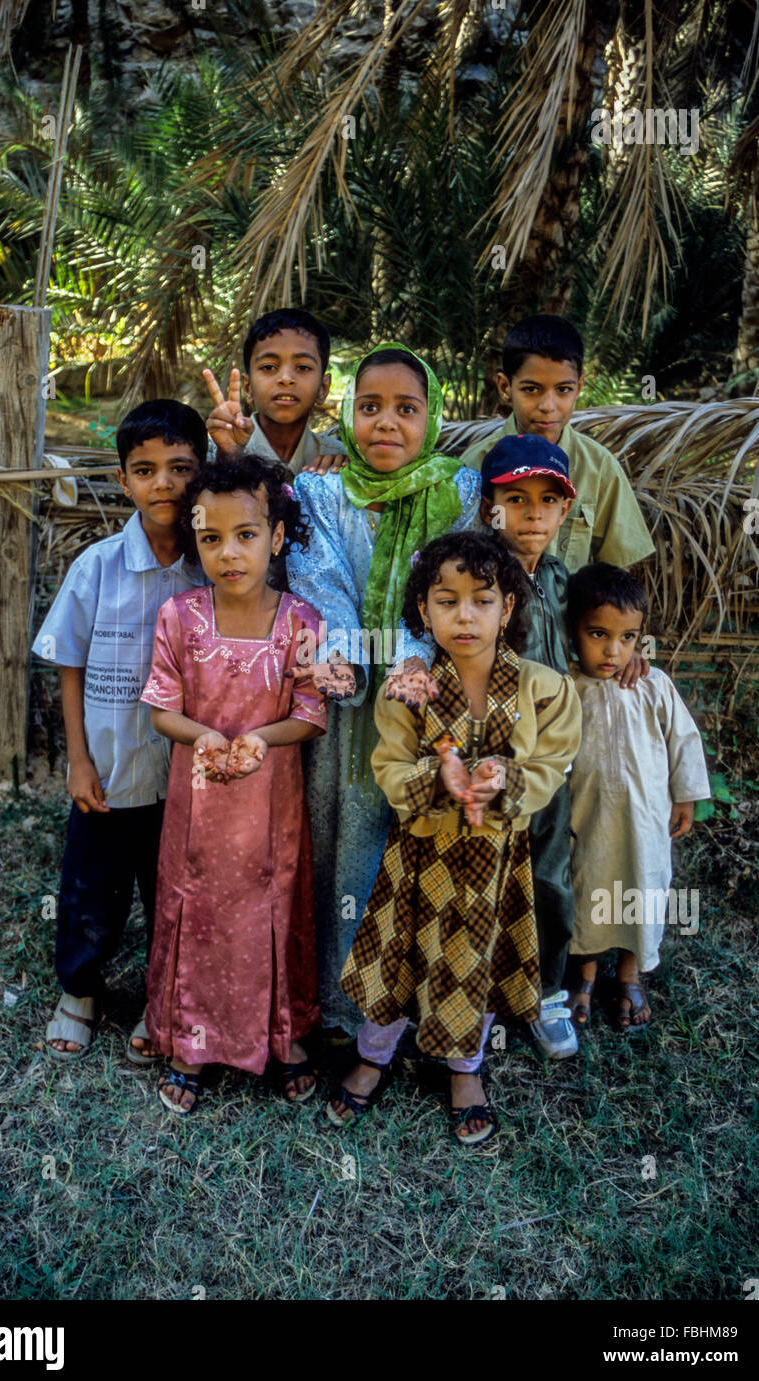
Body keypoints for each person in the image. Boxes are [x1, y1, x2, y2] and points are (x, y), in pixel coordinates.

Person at [328, 533, 582, 1145]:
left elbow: (555, 762)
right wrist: (433, 777)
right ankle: (373, 1055)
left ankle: (466, 1068)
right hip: (418, 861)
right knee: (397, 960)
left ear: (509, 608)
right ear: (423, 611)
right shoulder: (408, 691)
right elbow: (390, 771)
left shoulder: (544, 688)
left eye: (482, 600)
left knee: (480, 964)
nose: (464, 616)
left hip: (495, 868)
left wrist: (507, 777)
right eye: (447, 601)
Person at [286, 344, 483, 1040]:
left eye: (406, 409)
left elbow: (445, 584)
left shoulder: (456, 490)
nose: (386, 424)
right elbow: (320, 579)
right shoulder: (317, 490)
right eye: (369, 408)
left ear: (431, 417)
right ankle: (333, 1000)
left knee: (410, 847)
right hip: (343, 701)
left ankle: (399, 1003)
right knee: (334, 833)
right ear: (345, 415)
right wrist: (345, 658)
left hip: (419, 699)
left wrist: (410, 659)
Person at [140, 454, 328, 1116]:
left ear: (276, 538)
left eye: (246, 535)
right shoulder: (179, 617)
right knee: (197, 913)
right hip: (198, 807)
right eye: (211, 537)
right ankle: (188, 1044)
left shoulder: (301, 622)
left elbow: (310, 714)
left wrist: (258, 740)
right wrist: (205, 737)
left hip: (271, 808)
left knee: (273, 912)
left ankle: (284, 1039)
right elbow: (161, 706)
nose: (228, 553)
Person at [34, 400, 207, 1062]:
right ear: (123, 478)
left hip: (184, 782)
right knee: (89, 892)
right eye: (145, 470)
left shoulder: (213, 570)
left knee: (176, 897)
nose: (163, 483)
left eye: (180, 467)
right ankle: (79, 990)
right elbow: (69, 664)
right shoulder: (97, 567)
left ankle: (164, 998)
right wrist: (77, 760)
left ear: (203, 470)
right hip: (104, 773)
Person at [478, 433, 649, 1061]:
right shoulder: (474, 575)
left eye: (548, 501)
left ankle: (547, 992)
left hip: (547, 767)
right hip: (486, 759)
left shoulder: (560, 577)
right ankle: (473, 992)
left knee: (549, 877)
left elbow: (596, 641)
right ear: (487, 506)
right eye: (515, 499)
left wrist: (627, 658)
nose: (532, 514)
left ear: (564, 511)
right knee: (481, 877)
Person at [565, 563, 710, 1030]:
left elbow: (683, 739)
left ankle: (631, 975)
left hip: (645, 824)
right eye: (598, 634)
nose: (613, 651)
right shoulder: (565, 687)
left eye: (627, 638)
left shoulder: (652, 684)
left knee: (642, 890)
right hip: (587, 821)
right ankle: (583, 977)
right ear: (573, 630)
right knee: (586, 890)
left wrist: (685, 796)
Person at [461, 314, 655, 572]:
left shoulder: (599, 469)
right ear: (505, 387)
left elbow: (618, 572)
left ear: (579, 387)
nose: (547, 406)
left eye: (563, 390)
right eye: (531, 389)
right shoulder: (473, 467)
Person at [201, 307, 346, 476]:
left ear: (323, 388)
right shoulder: (212, 452)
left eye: (303, 367)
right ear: (248, 388)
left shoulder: (338, 459)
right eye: (269, 367)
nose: (285, 378)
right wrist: (229, 457)